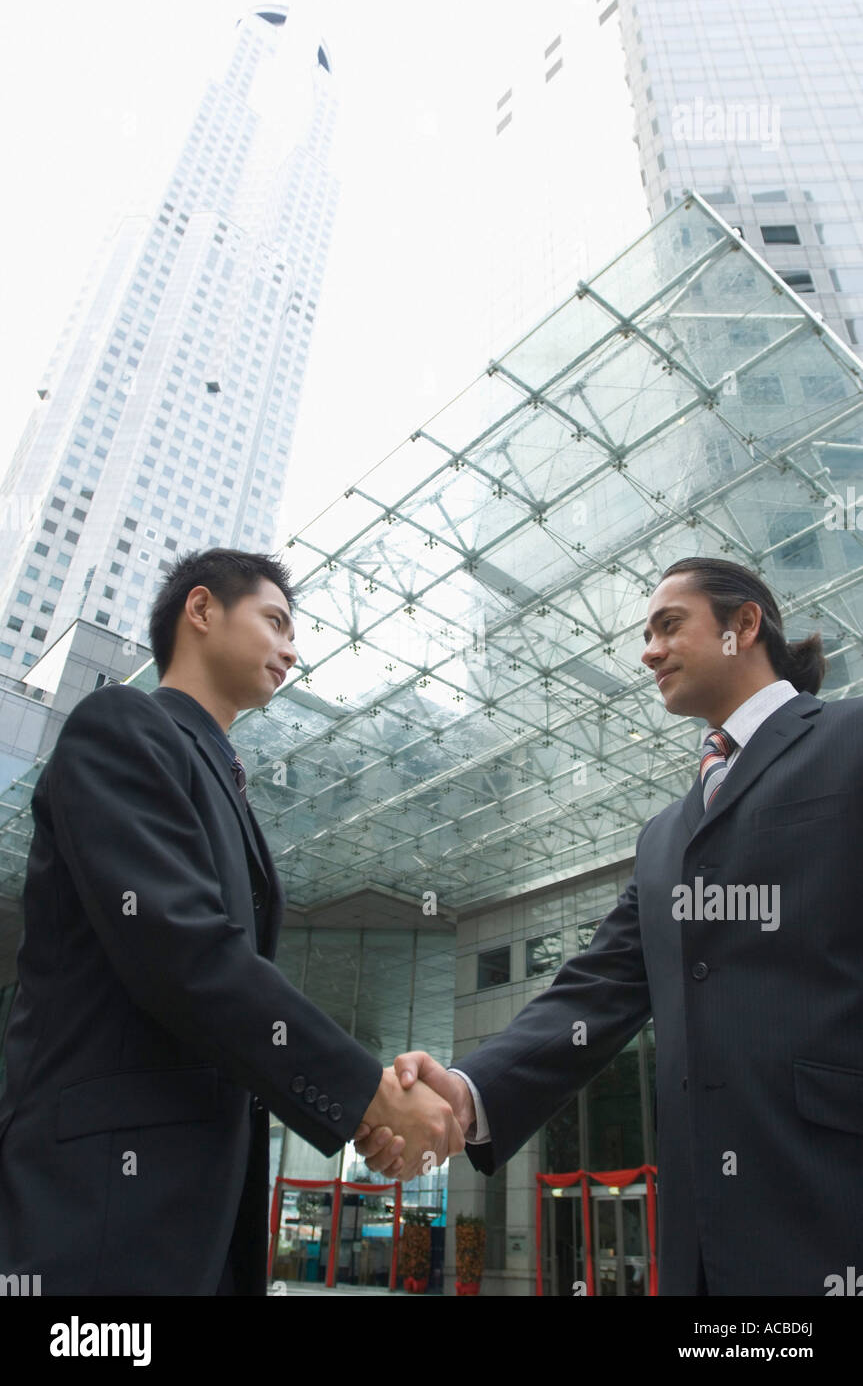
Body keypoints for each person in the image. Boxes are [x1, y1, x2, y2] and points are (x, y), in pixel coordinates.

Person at [357, 556, 863, 1296]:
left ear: (743, 625)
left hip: (832, 1197)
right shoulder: (665, 836)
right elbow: (595, 990)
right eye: (645, 633)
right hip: (701, 1242)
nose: (647, 651)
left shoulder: (850, 741)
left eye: (668, 625)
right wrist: (465, 1093)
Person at [0, 548, 462, 1295]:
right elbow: (181, 950)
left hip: (203, 1212)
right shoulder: (120, 725)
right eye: (275, 620)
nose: (291, 648)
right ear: (203, 609)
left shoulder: (223, 781)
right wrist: (364, 1093)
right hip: (105, 1205)